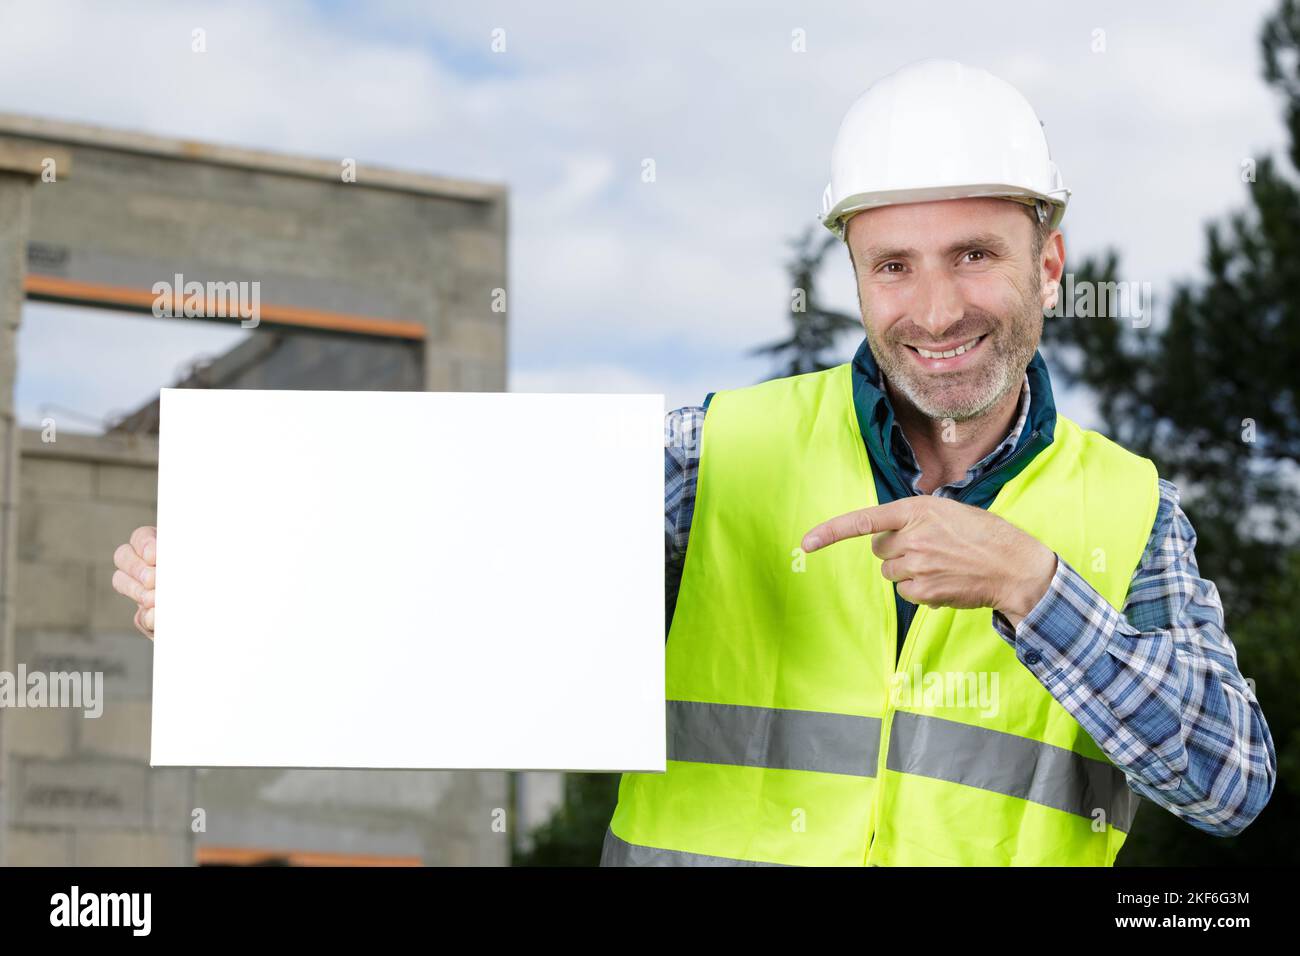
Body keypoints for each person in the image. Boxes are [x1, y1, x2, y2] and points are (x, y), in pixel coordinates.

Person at [111, 58, 1276, 868]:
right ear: (855, 275)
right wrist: (248, 598)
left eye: (975, 254)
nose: (934, 308)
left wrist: (1034, 584)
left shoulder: (1127, 510)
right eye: (893, 265)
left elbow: (1230, 784)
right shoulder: (716, 449)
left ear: (1050, 264)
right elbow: (472, 580)